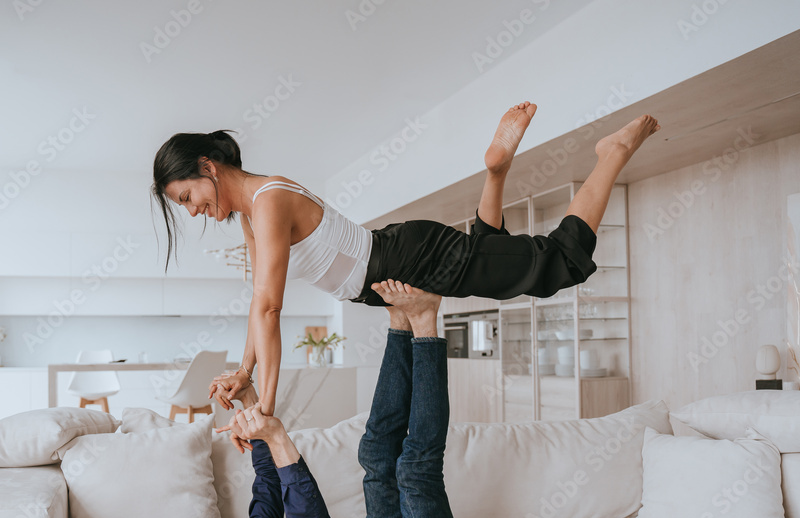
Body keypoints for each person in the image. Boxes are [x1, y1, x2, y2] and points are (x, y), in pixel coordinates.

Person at [152, 103, 660, 417]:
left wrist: (265, 403)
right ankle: (496, 171)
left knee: (559, 266)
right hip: (398, 258)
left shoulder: (267, 202)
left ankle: (612, 152)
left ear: (207, 166)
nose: (193, 210)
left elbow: (269, 309)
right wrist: (244, 370)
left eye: (187, 195)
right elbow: (256, 306)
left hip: (405, 262)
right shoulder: (253, 210)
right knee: (487, 253)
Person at [155, 280, 472, 518]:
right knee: (414, 469)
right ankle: (426, 321)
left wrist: (250, 403)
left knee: (376, 451)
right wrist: (276, 437)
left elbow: (267, 485)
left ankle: (399, 320)